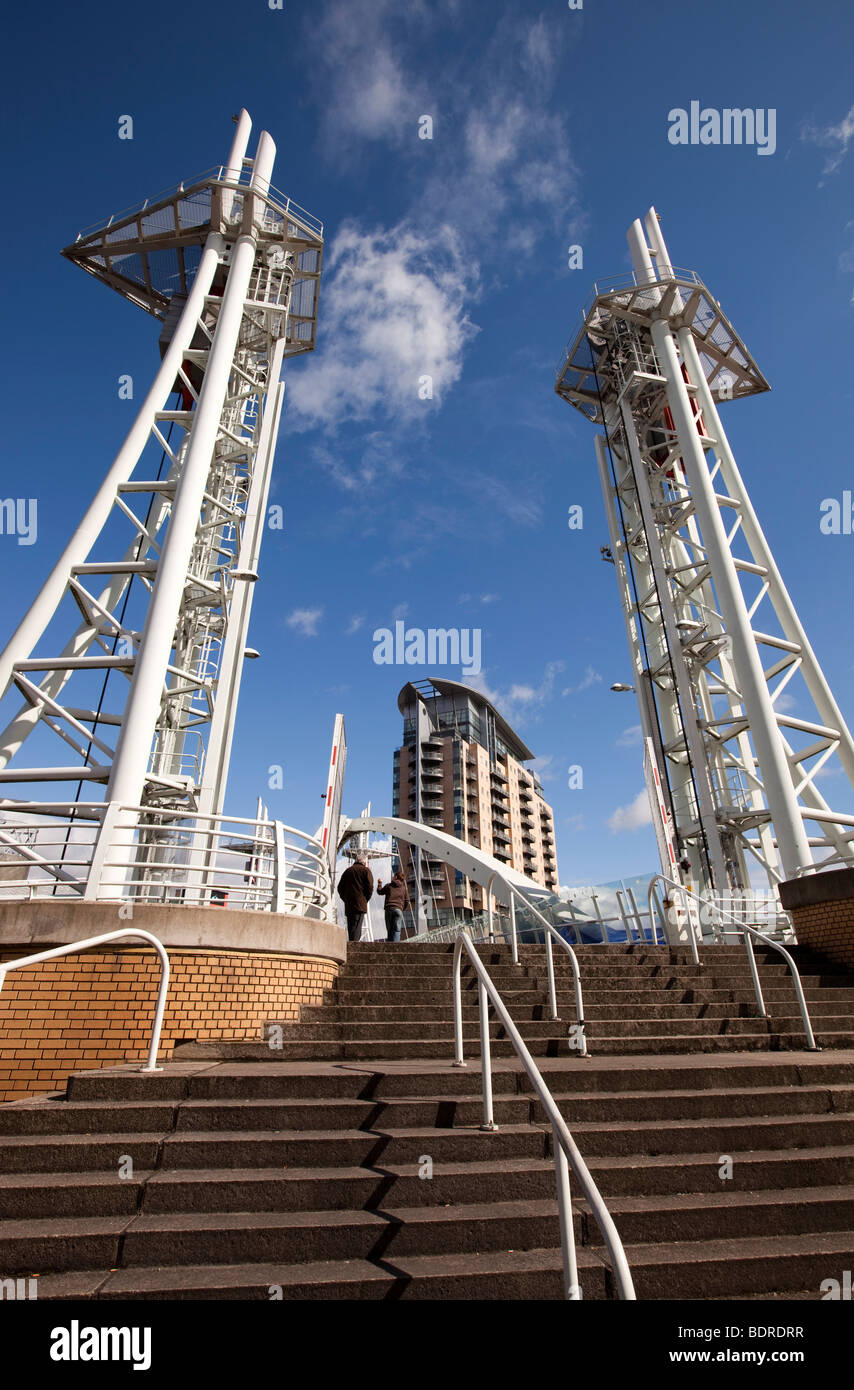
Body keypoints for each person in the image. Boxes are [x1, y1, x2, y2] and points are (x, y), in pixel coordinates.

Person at [337, 853, 374, 942]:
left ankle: (351, 945)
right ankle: (354, 946)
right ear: (364, 862)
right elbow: (370, 887)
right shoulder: (366, 871)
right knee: (357, 927)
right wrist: (365, 899)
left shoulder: (347, 871)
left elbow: (340, 888)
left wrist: (345, 899)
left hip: (349, 904)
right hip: (360, 904)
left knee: (351, 927)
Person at [377, 869, 411, 942]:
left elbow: (380, 892)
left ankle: (390, 948)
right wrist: (401, 909)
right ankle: (395, 948)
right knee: (397, 930)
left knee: (389, 930)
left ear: (396, 877)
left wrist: (379, 883)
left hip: (389, 909)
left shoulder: (389, 886)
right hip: (398, 910)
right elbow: (407, 901)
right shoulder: (404, 889)